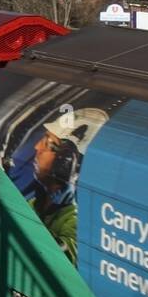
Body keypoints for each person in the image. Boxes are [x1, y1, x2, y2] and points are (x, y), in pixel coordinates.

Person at [20, 108, 108, 264]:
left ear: (65, 162)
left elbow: (61, 258)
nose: (37, 147)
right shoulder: (34, 202)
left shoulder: (77, 222)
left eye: (47, 143)